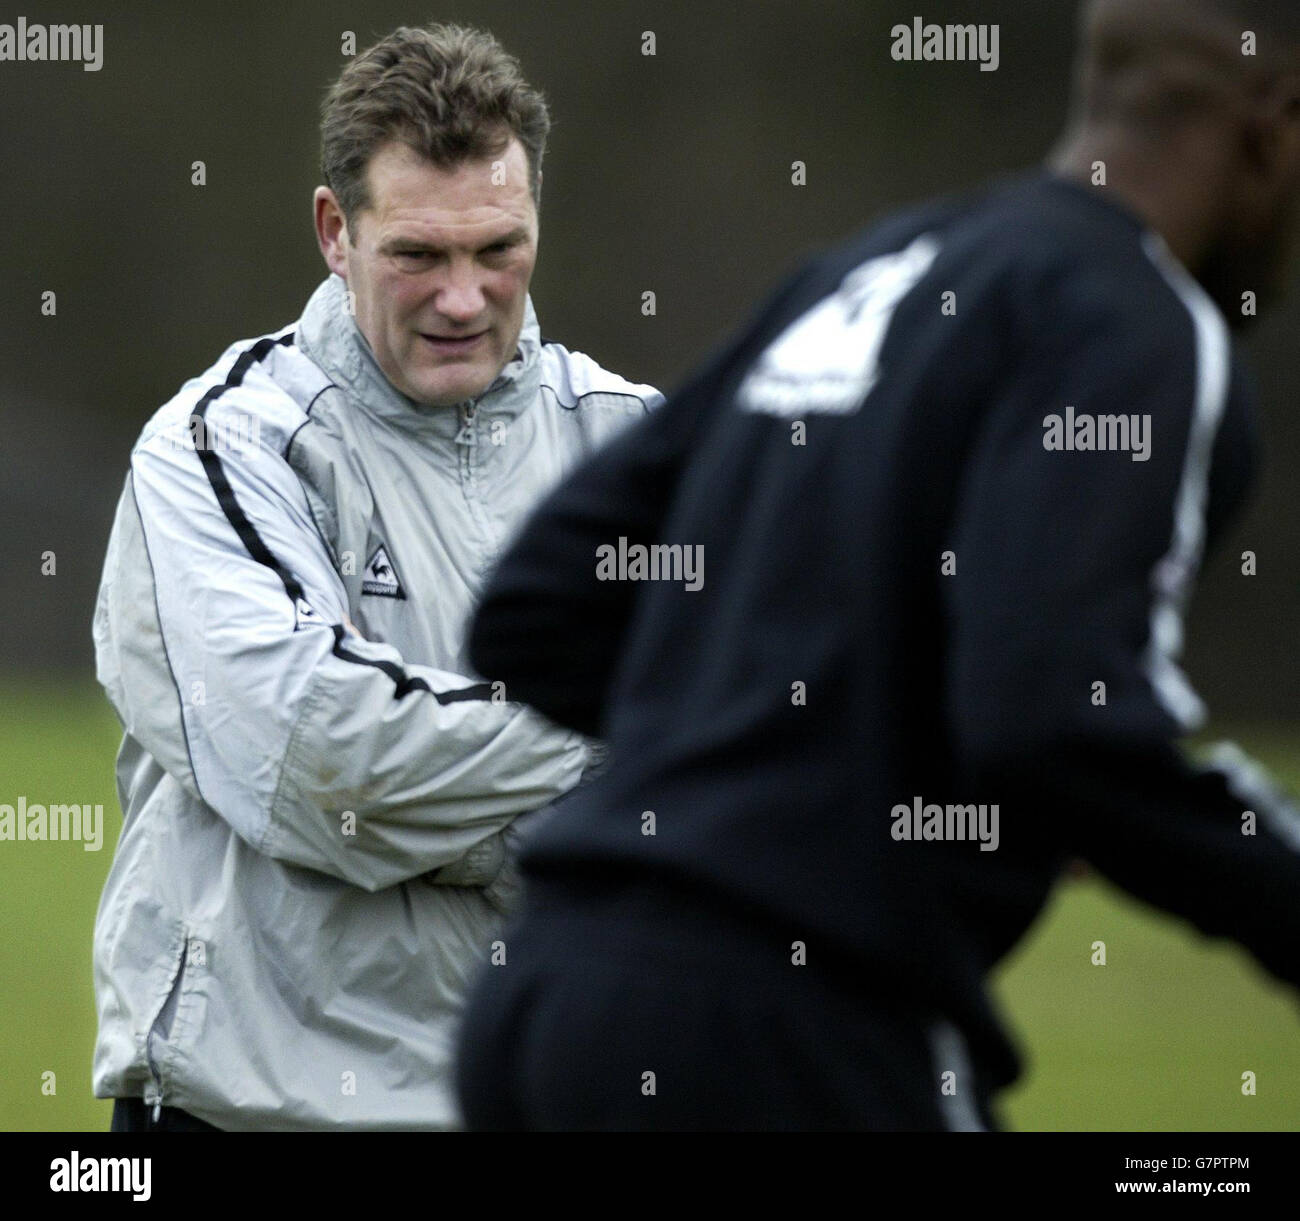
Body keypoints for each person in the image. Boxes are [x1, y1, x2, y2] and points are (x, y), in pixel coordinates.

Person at [457, 0, 1300, 1131]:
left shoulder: (867, 270)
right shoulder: (1135, 320)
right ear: (1276, 119)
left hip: (543, 1001)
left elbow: (535, 611)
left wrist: (771, 749)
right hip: (784, 1034)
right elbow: (1054, 716)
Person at [91, 22, 661, 1131]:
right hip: (257, 1115)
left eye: (497, 248)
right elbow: (324, 764)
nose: (463, 298)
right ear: (333, 232)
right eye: (418, 255)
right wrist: (639, 746)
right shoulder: (219, 447)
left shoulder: (644, 448)